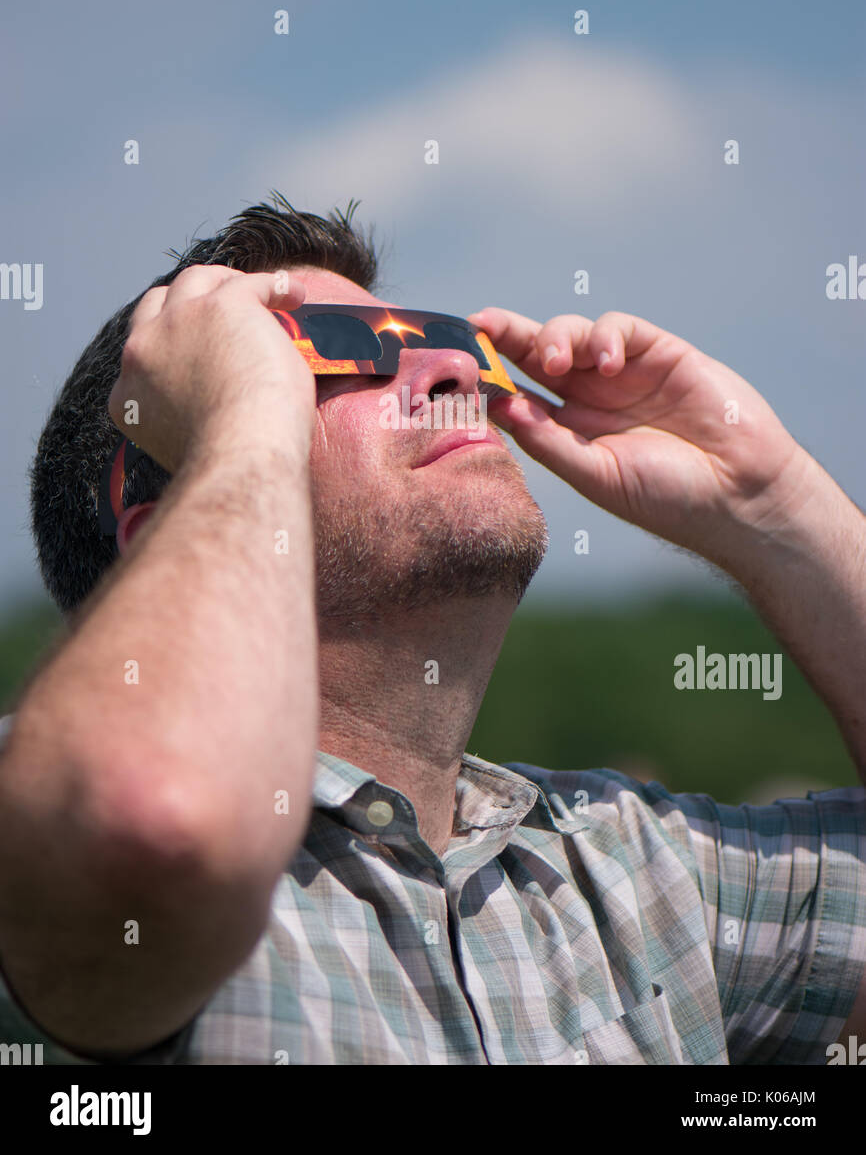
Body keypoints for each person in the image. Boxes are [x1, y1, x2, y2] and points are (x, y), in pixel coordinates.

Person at [0, 194, 864, 1066]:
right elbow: (144, 818)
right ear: (165, 528)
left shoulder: (640, 872)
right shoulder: (32, 811)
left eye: (436, 339)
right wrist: (241, 429)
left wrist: (779, 511)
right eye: (328, 354)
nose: (455, 375)